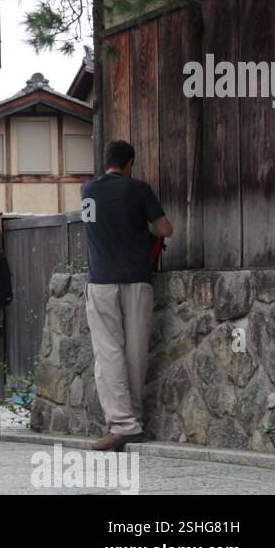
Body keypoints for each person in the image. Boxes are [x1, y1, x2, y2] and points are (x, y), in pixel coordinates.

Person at [83, 140, 172, 451]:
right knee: (135, 350)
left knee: (109, 351)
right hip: (137, 278)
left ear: (106, 162)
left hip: (102, 281)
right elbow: (165, 229)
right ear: (130, 162)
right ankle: (131, 421)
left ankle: (123, 424)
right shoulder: (138, 189)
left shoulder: (88, 191)